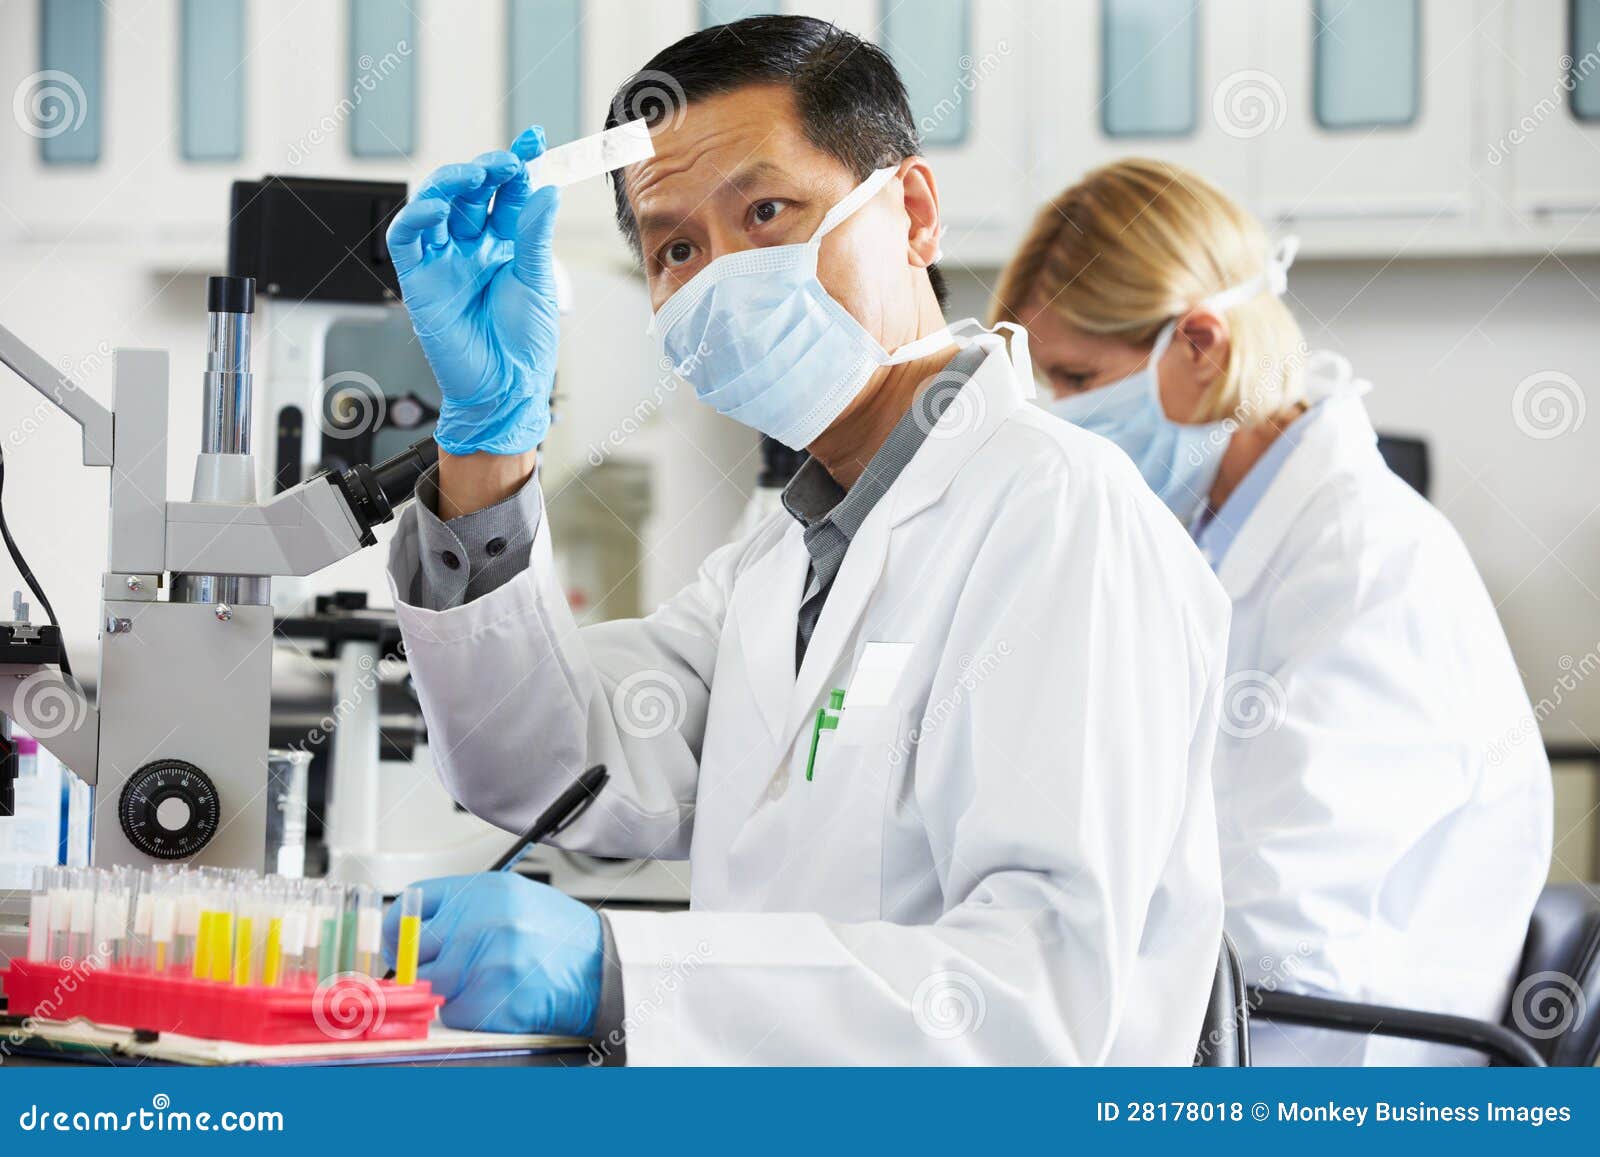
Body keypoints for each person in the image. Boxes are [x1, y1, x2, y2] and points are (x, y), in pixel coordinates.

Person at [375, 18, 1232, 1065]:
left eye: (768, 211)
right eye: (675, 248)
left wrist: (620, 972)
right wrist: (492, 448)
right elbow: (555, 765)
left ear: (912, 213)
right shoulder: (782, 554)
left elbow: (1033, 1001)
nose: (724, 278)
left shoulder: (1059, 512)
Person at [992, 158, 1553, 1065]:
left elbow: (1286, 929)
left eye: (1073, 377)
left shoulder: (1368, 565)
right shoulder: (1207, 541)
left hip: (1331, 1068)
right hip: (1220, 1026)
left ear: (1201, 345)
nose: (1057, 415)